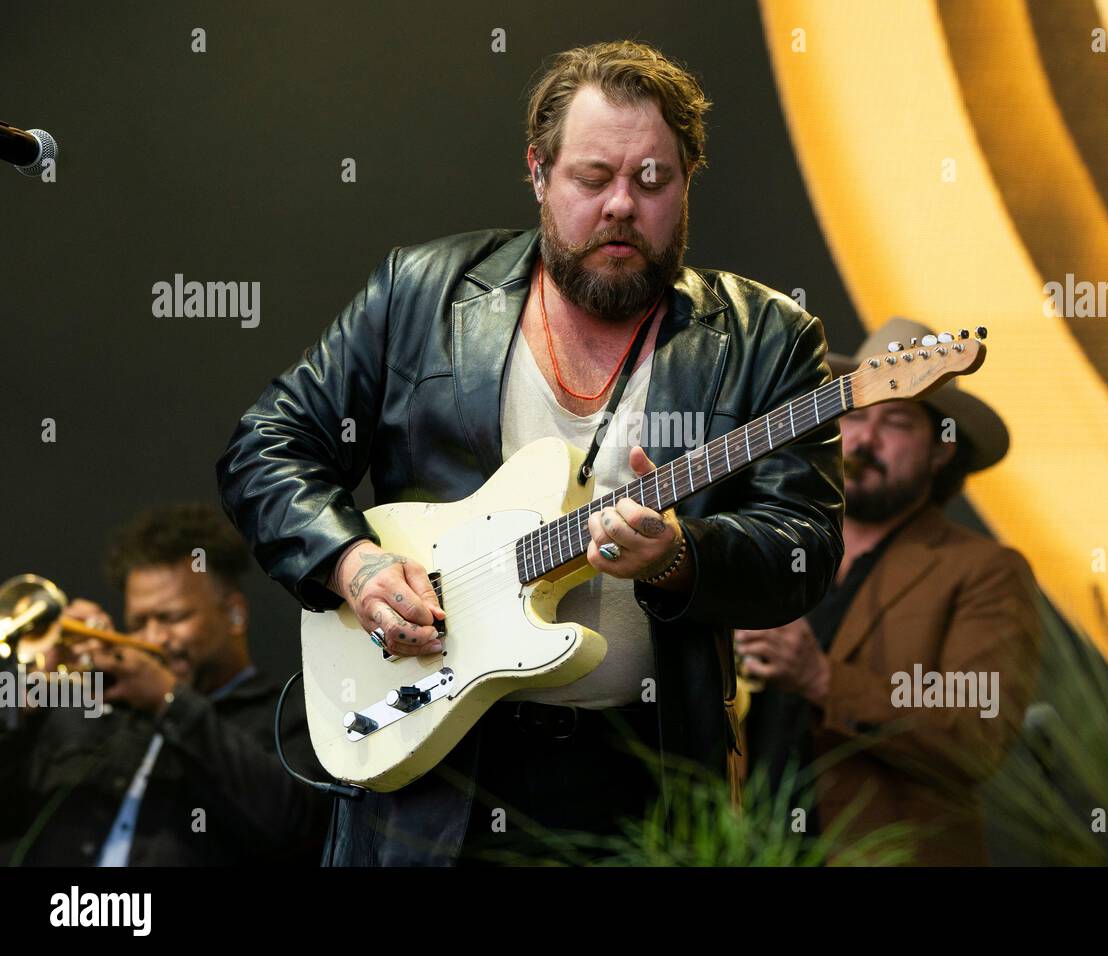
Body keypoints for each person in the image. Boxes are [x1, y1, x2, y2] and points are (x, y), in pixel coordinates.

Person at [215, 39, 844, 866]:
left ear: (689, 179)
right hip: (431, 772)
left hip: (644, 781)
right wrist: (353, 566)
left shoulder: (767, 337)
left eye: (653, 179)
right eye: (592, 177)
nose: (622, 204)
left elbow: (805, 547)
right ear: (539, 174)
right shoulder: (422, 293)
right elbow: (267, 443)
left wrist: (680, 556)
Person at [736, 317, 1041, 866]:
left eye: (896, 422)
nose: (865, 439)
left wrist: (823, 679)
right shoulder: (776, 547)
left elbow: (978, 738)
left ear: (941, 450)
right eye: (853, 415)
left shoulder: (987, 571)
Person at [0, 503, 329, 866]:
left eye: (172, 618)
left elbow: (293, 824)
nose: (154, 639)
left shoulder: (294, 714)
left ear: (235, 614)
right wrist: (26, 704)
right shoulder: (89, 713)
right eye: (139, 622)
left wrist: (168, 700)